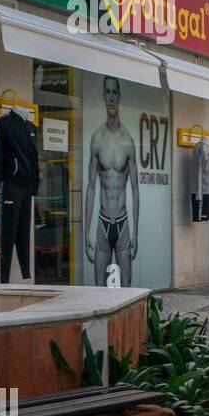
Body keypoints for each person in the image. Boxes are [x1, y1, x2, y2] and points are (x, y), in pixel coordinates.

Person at [85, 76, 139, 285]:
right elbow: (91, 188)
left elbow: (135, 189)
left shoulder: (128, 141)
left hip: (123, 222)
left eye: (114, 92)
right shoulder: (97, 139)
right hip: (103, 221)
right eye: (107, 92)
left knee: (127, 288)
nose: (111, 97)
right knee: (100, 288)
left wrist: (136, 233)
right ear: (103, 96)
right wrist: (86, 234)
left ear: (119, 95)